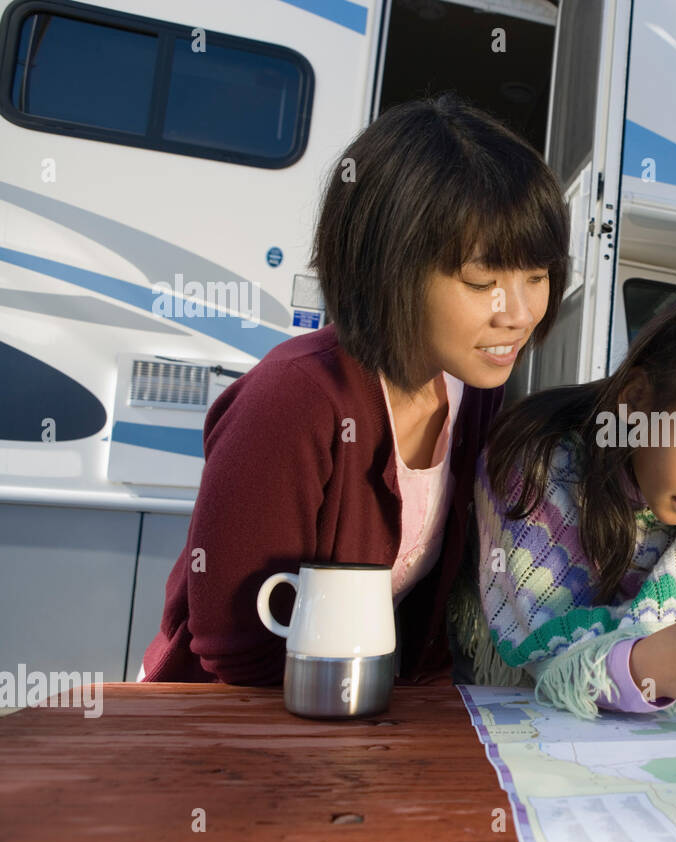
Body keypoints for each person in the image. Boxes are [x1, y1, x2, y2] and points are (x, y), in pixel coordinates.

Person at [140, 92, 569, 685]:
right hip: (229, 716)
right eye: (481, 282)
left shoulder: (474, 388)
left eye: (538, 276)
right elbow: (234, 650)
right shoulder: (293, 400)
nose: (518, 314)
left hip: (361, 713)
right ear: (390, 266)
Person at [457, 286, 676, 718]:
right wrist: (640, 668)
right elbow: (542, 644)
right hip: (502, 712)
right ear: (635, 401)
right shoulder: (536, 465)